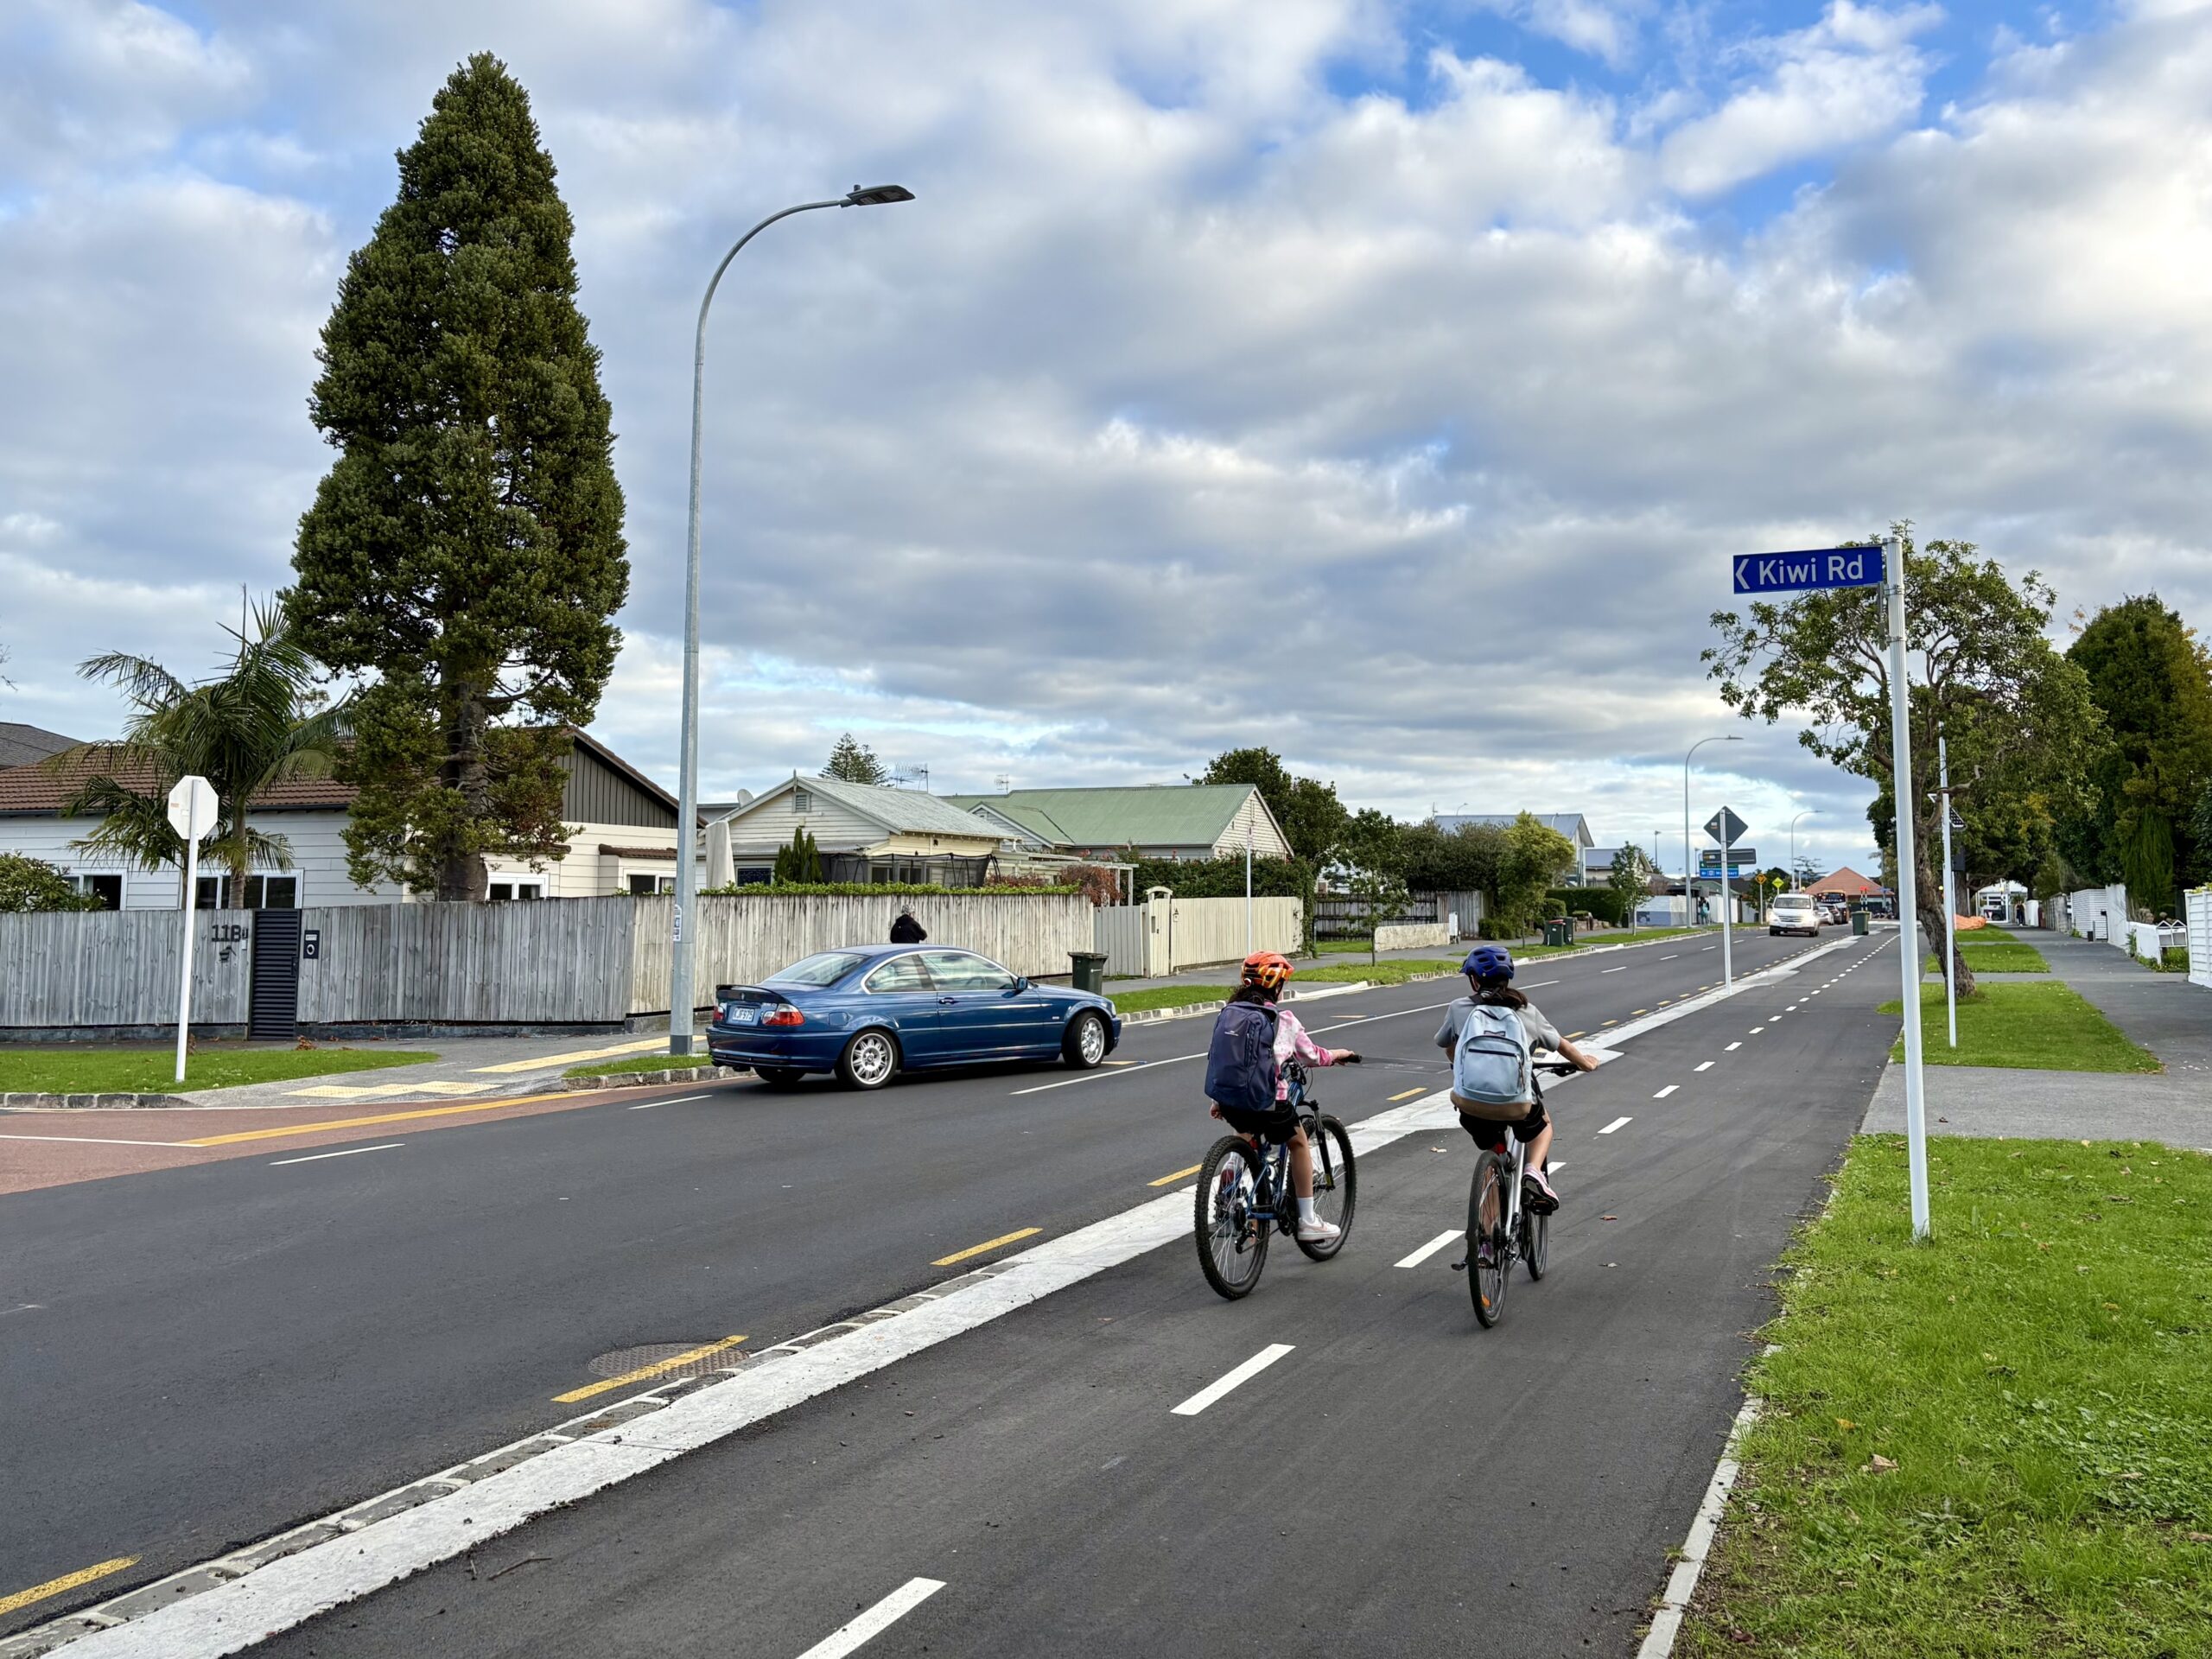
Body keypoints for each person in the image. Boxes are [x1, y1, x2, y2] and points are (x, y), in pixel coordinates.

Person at [1434, 944, 1597, 1216]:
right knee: (1543, 1126)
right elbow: (1562, 1046)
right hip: (1516, 1106)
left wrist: (1458, 1066)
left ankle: (1485, 1250)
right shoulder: (1525, 1009)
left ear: (1474, 979)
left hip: (1470, 1105)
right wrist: (1586, 1064)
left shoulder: (1458, 1008)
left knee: (1493, 1160)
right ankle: (1533, 1171)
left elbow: (1448, 1046)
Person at [1208, 950, 1358, 1243]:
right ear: (1275, 985)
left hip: (1229, 1098)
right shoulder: (1283, 1020)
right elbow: (1312, 1055)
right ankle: (1307, 1220)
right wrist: (1338, 1054)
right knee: (1299, 1142)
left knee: (1246, 1135)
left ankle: (1230, 1182)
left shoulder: (1229, 1013)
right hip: (1267, 1101)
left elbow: (1224, 1060)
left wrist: (1217, 1101)